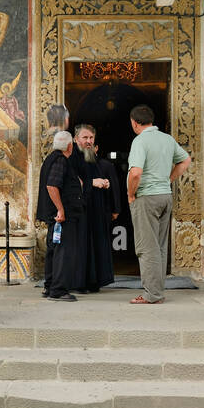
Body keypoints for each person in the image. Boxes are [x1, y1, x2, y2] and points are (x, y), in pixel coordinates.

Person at [125, 105, 191, 305]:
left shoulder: (140, 140)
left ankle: (151, 294)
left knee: (146, 247)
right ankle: (157, 291)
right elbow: (185, 160)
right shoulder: (167, 139)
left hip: (147, 198)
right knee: (160, 246)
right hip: (165, 196)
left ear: (135, 123)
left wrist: (130, 194)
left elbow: (135, 172)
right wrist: (168, 180)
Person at [35, 130, 84, 302]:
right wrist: (61, 210)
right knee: (63, 251)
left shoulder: (51, 159)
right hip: (62, 217)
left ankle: (50, 286)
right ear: (70, 146)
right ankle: (58, 290)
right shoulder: (60, 160)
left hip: (55, 216)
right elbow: (52, 186)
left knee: (53, 249)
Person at [70, 124, 119, 293]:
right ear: (76, 139)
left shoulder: (93, 158)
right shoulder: (71, 158)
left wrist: (104, 183)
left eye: (91, 138)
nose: (89, 141)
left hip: (96, 210)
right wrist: (93, 183)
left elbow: (95, 177)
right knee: (82, 246)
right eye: (85, 138)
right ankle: (80, 283)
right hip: (80, 211)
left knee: (95, 245)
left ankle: (93, 282)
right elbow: (69, 182)